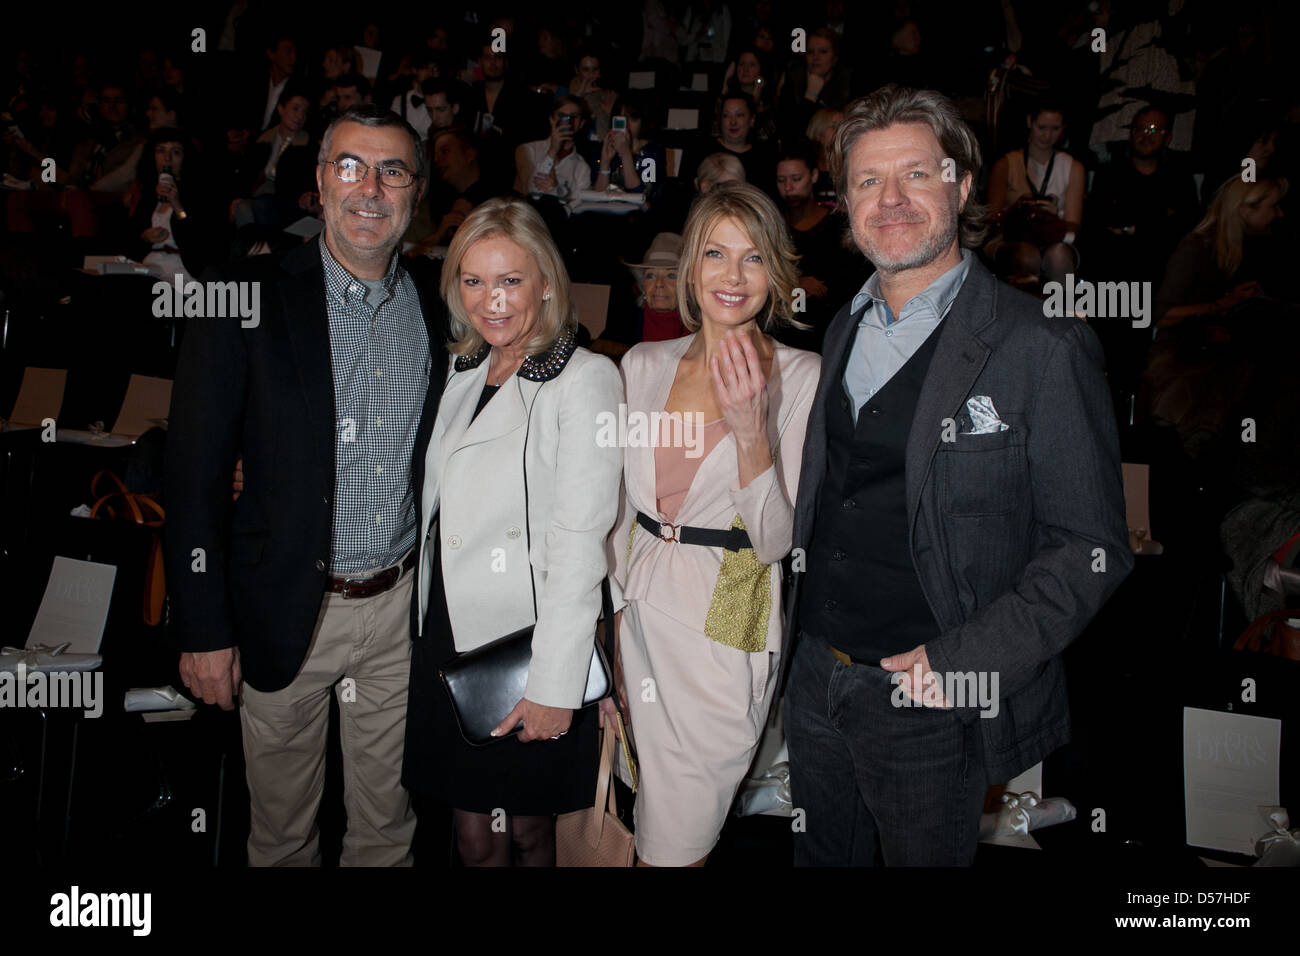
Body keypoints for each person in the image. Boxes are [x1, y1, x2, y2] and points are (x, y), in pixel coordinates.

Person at [782, 85, 1132, 866]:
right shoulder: (843, 324)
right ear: (845, 203)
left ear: (963, 185)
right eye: (869, 181)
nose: (892, 199)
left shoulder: (1041, 347)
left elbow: (1091, 549)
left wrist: (965, 661)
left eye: (916, 174)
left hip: (930, 699)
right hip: (816, 676)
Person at [165, 104, 448, 866]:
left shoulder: (438, 301)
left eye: (392, 170)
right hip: (282, 606)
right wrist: (202, 629)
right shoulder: (241, 295)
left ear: (415, 192)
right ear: (320, 183)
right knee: (283, 837)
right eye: (350, 166)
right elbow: (192, 476)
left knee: (387, 834)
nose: (370, 188)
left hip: (397, 611)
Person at [403, 196, 623, 866]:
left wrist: (555, 685)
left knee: (525, 834)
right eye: (473, 281)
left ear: (547, 284)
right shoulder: (463, 370)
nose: (490, 301)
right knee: (471, 837)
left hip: (526, 647)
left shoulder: (585, 380)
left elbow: (582, 543)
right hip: (450, 633)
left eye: (510, 281)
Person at [605, 182, 820, 866]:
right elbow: (616, 518)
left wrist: (754, 433)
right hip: (636, 617)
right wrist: (609, 630)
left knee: (678, 842)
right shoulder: (641, 365)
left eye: (753, 258)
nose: (732, 276)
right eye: (716, 254)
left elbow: (778, 543)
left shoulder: (801, 375)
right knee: (644, 828)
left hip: (727, 619)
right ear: (691, 269)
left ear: (776, 273)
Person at [1143, 176, 1287, 453]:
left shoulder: (1248, 247)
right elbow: (1160, 315)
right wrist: (1223, 304)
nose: (1279, 214)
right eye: (1274, 206)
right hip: (1179, 354)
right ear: (1246, 210)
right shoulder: (1195, 247)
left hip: (1215, 350)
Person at [773, 141, 867, 352]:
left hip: (832, 335)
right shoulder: (772, 228)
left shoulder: (839, 226)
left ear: (814, 176)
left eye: (796, 179)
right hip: (782, 336)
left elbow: (852, 286)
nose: (789, 187)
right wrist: (795, 283)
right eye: (781, 180)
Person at [985, 101, 1085, 288]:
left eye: (1055, 129)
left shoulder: (1073, 167)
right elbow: (991, 219)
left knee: (1059, 256)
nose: (1047, 136)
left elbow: (1074, 226)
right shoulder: (1007, 164)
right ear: (1030, 122)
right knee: (1026, 255)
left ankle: (1060, 314)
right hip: (1011, 237)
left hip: (1054, 238)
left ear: (1063, 129)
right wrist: (1018, 210)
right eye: (1042, 127)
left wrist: (1052, 215)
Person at [594, 232, 688, 357]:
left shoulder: (702, 333)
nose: (659, 283)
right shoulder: (619, 328)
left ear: (686, 286)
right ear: (642, 284)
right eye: (650, 275)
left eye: (671, 275)